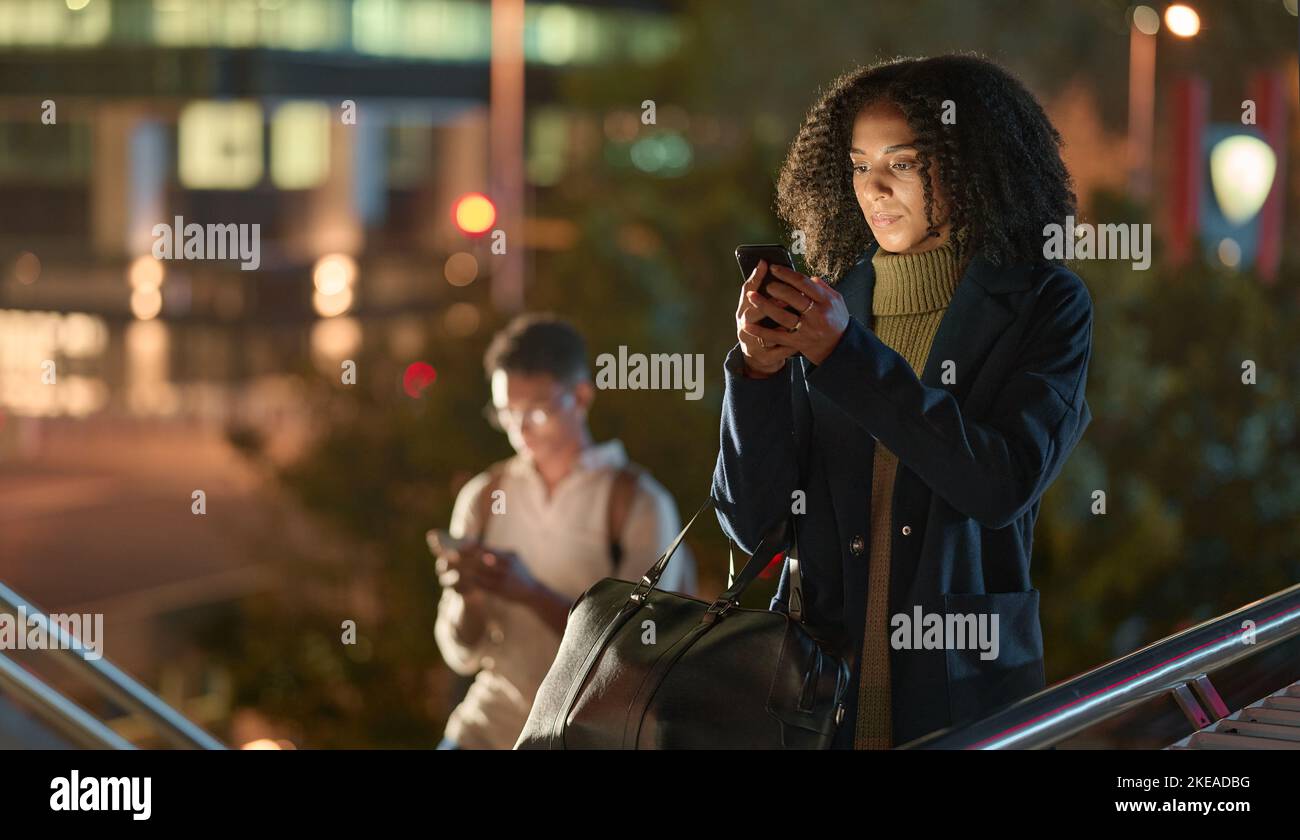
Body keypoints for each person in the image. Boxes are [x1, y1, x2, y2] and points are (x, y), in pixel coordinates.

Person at [713, 55, 1093, 749]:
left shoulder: (1045, 304)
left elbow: (998, 483)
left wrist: (844, 357)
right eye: (858, 165)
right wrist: (758, 374)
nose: (874, 188)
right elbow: (752, 524)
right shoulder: (830, 303)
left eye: (904, 162)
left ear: (972, 163)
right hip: (815, 703)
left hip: (963, 694)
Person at [433, 313, 697, 750]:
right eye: (506, 412)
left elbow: (638, 653)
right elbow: (461, 654)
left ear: (581, 396)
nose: (520, 429)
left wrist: (530, 593)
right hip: (488, 728)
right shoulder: (486, 495)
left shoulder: (637, 502)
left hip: (589, 736)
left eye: (536, 410)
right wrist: (467, 595)